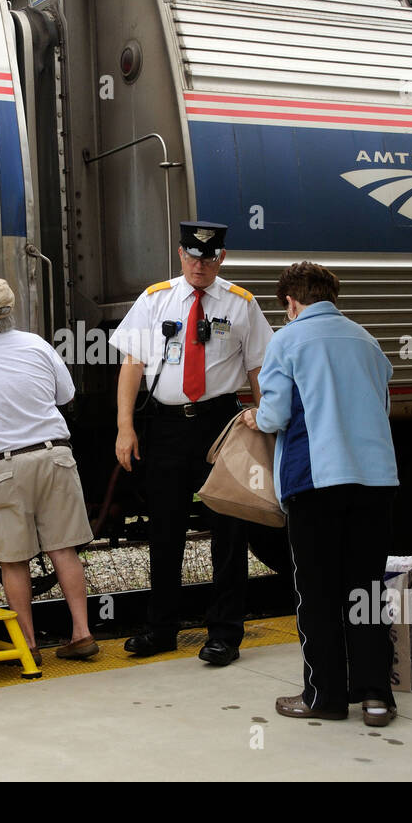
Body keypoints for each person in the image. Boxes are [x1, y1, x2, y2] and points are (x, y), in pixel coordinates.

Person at [241, 261, 400, 726]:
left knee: (318, 592)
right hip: (375, 481)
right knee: (366, 588)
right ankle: (376, 697)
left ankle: (325, 696)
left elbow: (274, 416)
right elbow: (382, 405)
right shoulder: (367, 341)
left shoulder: (287, 340)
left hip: (316, 481)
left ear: (291, 302)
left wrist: (254, 417)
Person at [109, 221, 273, 665]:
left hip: (223, 425)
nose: (200, 266)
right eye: (192, 257)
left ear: (222, 259)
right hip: (165, 427)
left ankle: (224, 634)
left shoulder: (242, 304)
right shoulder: (154, 299)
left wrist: (267, 428)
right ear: (180, 255)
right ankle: (160, 629)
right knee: (165, 530)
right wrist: (125, 427)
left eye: (209, 258)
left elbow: (259, 369)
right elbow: (132, 364)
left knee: (229, 529)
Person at [0, 278, 98, 663]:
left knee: (13, 559)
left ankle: (28, 645)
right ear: (11, 312)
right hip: (54, 456)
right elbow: (67, 396)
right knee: (64, 549)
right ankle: (82, 633)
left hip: (3, 466)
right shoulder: (38, 345)